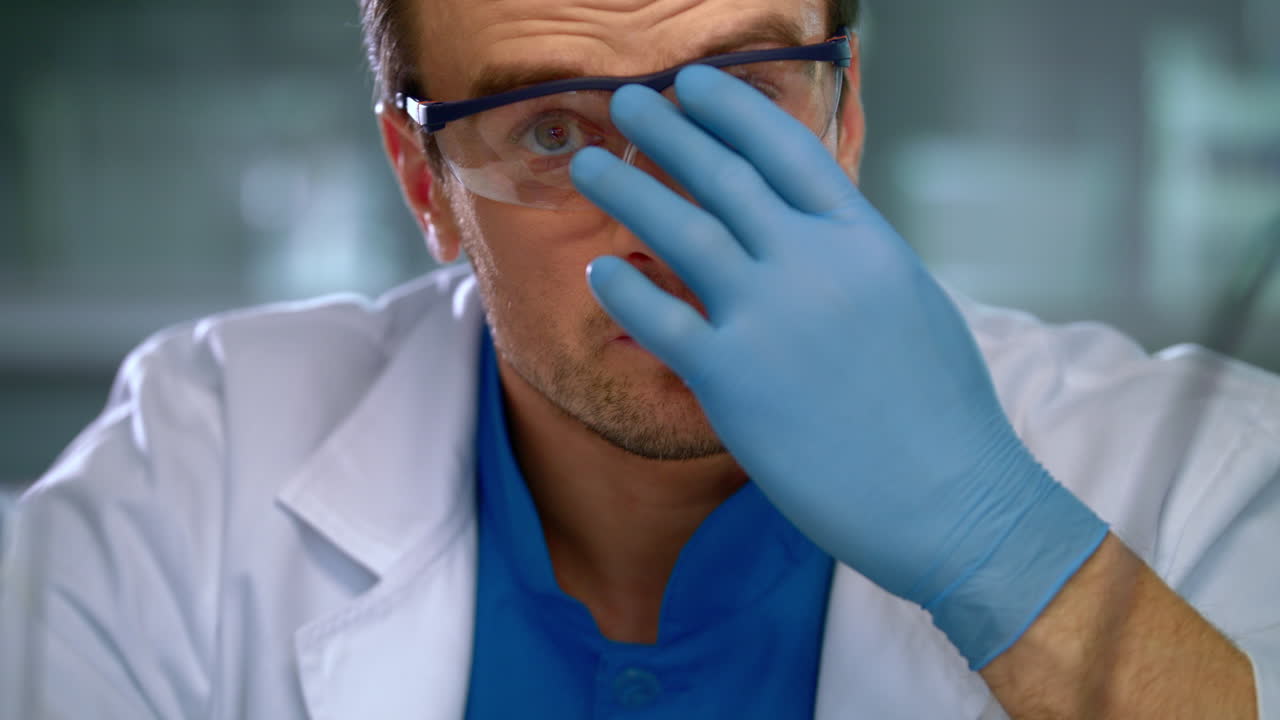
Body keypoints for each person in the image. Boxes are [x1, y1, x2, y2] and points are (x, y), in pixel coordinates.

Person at [2, 0, 1278, 717]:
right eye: (551, 128)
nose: (670, 213)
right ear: (425, 187)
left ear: (845, 120)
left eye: (747, 93)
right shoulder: (197, 470)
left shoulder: (1202, 474)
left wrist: (1008, 554)